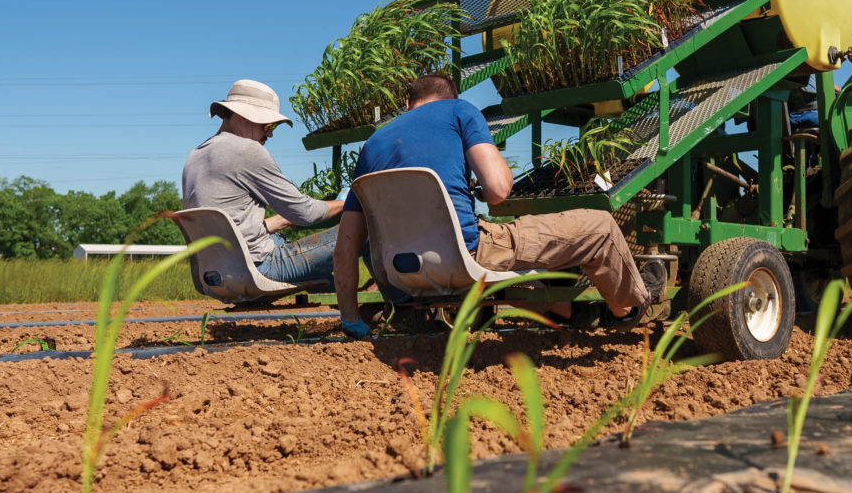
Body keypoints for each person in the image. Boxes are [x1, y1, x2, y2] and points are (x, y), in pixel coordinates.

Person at [333, 74, 659, 338]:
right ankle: (627, 311)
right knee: (599, 225)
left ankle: (566, 310)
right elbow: (499, 190)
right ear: (450, 98)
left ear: (408, 104)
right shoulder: (460, 111)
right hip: (468, 254)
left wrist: (350, 319)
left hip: (399, 272)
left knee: (517, 270)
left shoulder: (372, 144)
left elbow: (346, 245)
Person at [182, 79, 344, 289]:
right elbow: (306, 213)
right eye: (267, 125)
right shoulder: (247, 150)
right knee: (367, 229)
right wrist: (344, 202)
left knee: (325, 274)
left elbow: (236, 226)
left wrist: (285, 219)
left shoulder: (195, 156)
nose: (270, 133)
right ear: (241, 117)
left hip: (215, 274)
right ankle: (392, 304)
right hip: (258, 266)